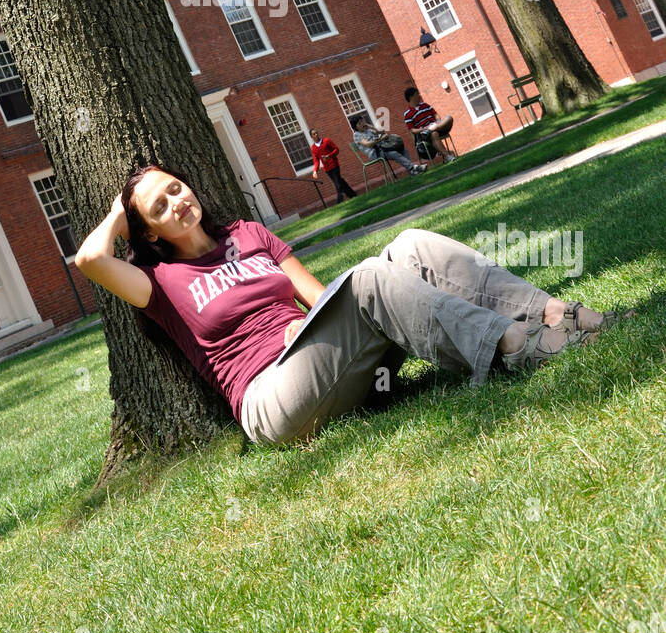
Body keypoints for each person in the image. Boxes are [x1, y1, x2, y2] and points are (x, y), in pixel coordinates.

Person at [73, 164, 620, 447]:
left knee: (410, 246)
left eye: (176, 187)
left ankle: (554, 314)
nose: (176, 201)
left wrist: (308, 327)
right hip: (275, 400)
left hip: (335, 360)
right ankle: (512, 346)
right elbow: (90, 259)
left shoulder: (248, 233)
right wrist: (126, 208)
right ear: (146, 228)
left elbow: (316, 298)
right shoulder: (158, 282)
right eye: (159, 206)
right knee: (366, 279)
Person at [350, 115, 427, 176]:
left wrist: (371, 127)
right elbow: (368, 144)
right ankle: (414, 167)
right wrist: (380, 139)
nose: (363, 124)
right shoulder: (356, 135)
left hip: (383, 148)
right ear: (355, 126)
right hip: (375, 153)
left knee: (403, 150)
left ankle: (412, 171)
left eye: (363, 121)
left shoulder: (368, 130)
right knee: (394, 153)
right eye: (359, 123)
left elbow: (381, 132)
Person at [403, 86, 456, 163]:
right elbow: (412, 130)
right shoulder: (407, 114)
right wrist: (424, 129)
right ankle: (448, 156)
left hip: (437, 127)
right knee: (434, 134)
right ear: (411, 97)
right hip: (425, 134)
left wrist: (437, 122)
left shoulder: (425, 105)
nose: (419, 96)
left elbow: (436, 115)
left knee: (449, 118)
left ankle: (433, 128)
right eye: (417, 94)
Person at [309, 127, 357, 203]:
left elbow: (336, 150)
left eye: (316, 133)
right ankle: (352, 195)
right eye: (314, 134)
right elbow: (316, 161)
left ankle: (339, 201)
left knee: (337, 184)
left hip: (334, 165)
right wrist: (315, 171)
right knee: (340, 181)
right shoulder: (313, 148)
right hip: (327, 169)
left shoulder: (326, 141)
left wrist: (329, 155)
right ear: (311, 137)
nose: (316, 134)